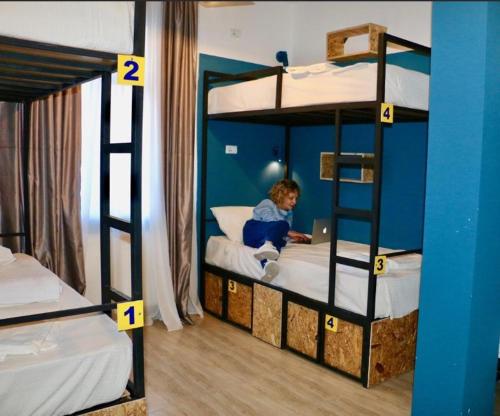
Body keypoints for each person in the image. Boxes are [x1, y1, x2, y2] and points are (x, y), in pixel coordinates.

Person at [243, 179, 310, 282]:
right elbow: (270, 221)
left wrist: (293, 238)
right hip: (252, 232)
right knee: (282, 226)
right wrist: (289, 232)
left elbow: (281, 233)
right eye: (291, 198)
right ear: (280, 196)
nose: (294, 202)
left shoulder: (289, 213)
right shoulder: (267, 203)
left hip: (263, 240)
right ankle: (268, 245)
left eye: (296, 198)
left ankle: (268, 266)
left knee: (279, 242)